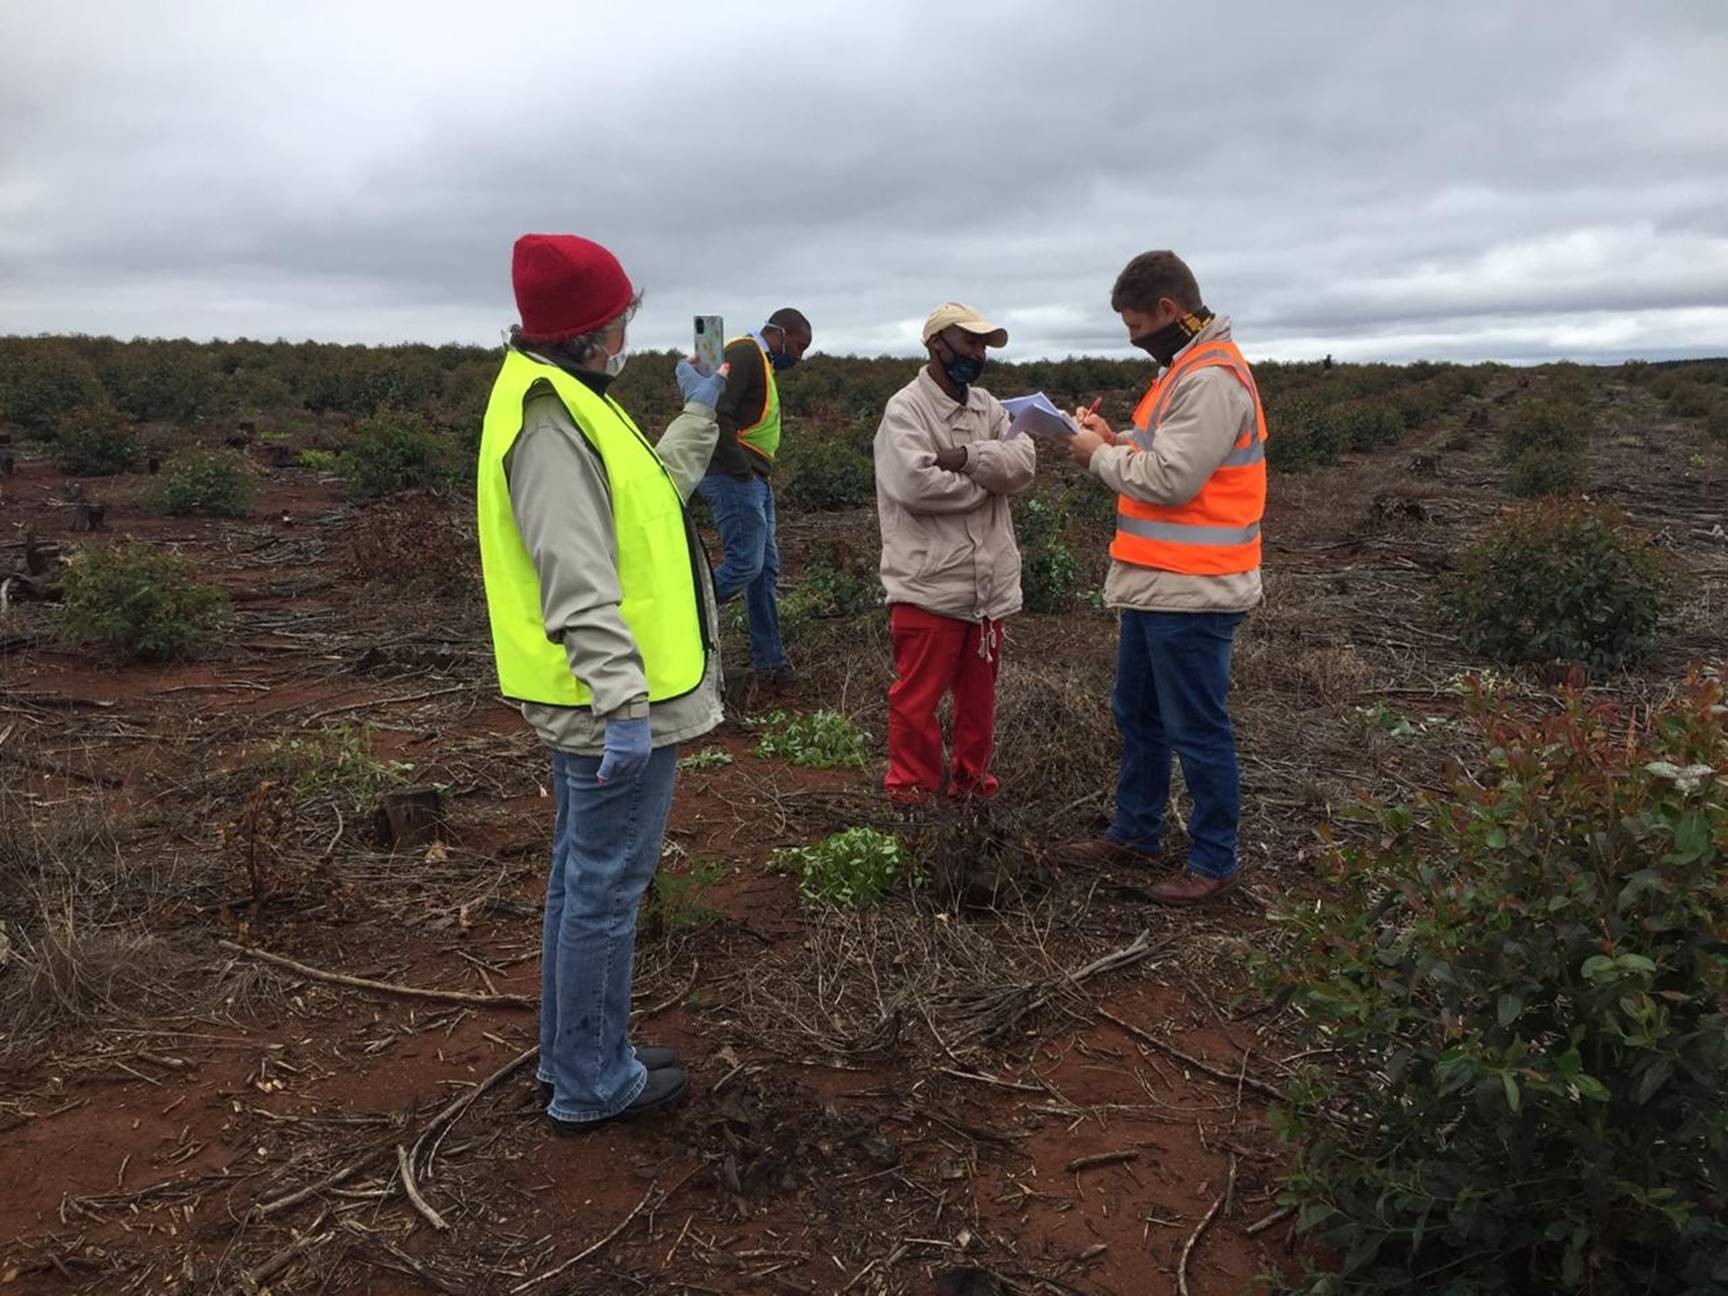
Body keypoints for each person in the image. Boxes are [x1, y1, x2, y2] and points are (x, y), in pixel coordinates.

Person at [476, 233, 728, 1129]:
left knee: (584, 876)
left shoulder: (575, 400)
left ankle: (577, 1055)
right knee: (605, 887)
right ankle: (591, 1081)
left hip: (608, 696)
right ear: (589, 331)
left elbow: (649, 493)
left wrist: (700, 414)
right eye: (620, 319)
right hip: (611, 704)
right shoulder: (550, 421)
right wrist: (623, 708)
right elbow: (576, 581)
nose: (628, 333)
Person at [1060, 251, 1266, 905]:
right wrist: (1115, 437)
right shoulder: (1186, 371)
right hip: (1157, 583)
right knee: (1140, 714)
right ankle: (1136, 831)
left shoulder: (1210, 379)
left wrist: (1098, 458)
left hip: (1195, 589)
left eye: (1135, 324)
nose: (1132, 338)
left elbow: (1173, 481)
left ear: (1169, 312)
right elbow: (1160, 454)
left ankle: (1212, 860)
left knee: (1197, 727)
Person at [873, 303, 1036, 807]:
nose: (978, 354)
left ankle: (972, 790)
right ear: (936, 344)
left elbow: (1024, 461)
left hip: (988, 589)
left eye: (983, 345)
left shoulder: (990, 407)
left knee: (978, 702)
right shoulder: (905, 410)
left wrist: (967, 459)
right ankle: (912, 796)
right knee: (916, 702)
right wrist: (987, 486)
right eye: (969, 343)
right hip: (929, 588)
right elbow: (915, 484)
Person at [696, 308, 812, 689]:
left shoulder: (762, 363)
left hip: (754, 478)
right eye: (798, 345)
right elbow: (718, 412)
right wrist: (741, 472)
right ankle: (682, 615)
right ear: (780, 332)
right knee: (746, 565)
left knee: (764, 571)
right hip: (734, 476)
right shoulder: (746, 352)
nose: (799, 355)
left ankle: (771, 663)